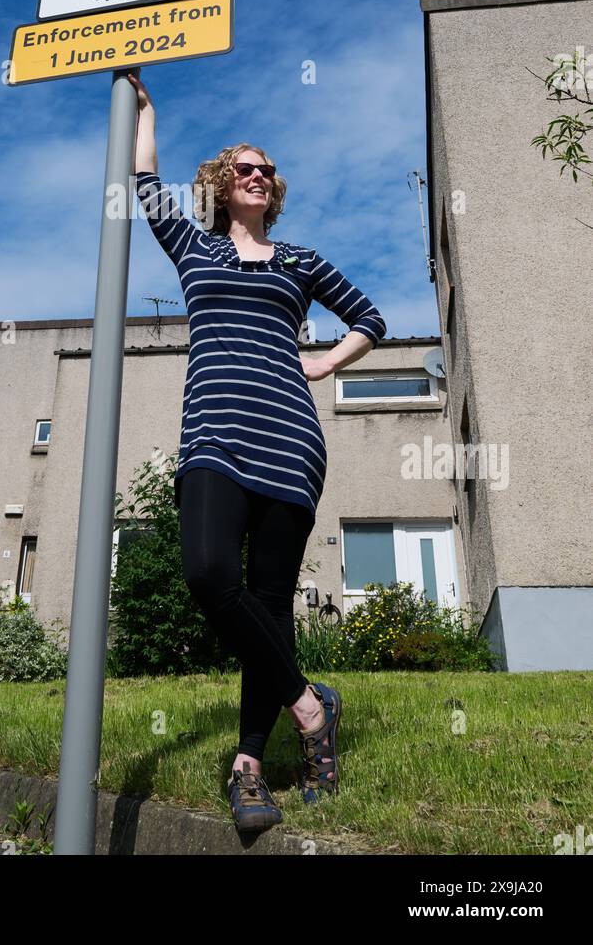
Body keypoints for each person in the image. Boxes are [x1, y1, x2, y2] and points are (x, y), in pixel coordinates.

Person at [128, 69, 387, 831]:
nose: (259, 174)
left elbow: (369, 315)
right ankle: (311, 708)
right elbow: (144, 184)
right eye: (245, 166)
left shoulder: (302, 262)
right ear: (220, 184)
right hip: (213, 436)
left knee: (271, 602)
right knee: (208, 573)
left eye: (267, 169)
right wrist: (144, 108)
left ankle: (248, 767)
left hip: (289, 442)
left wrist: (323, 362)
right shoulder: (194, 250)